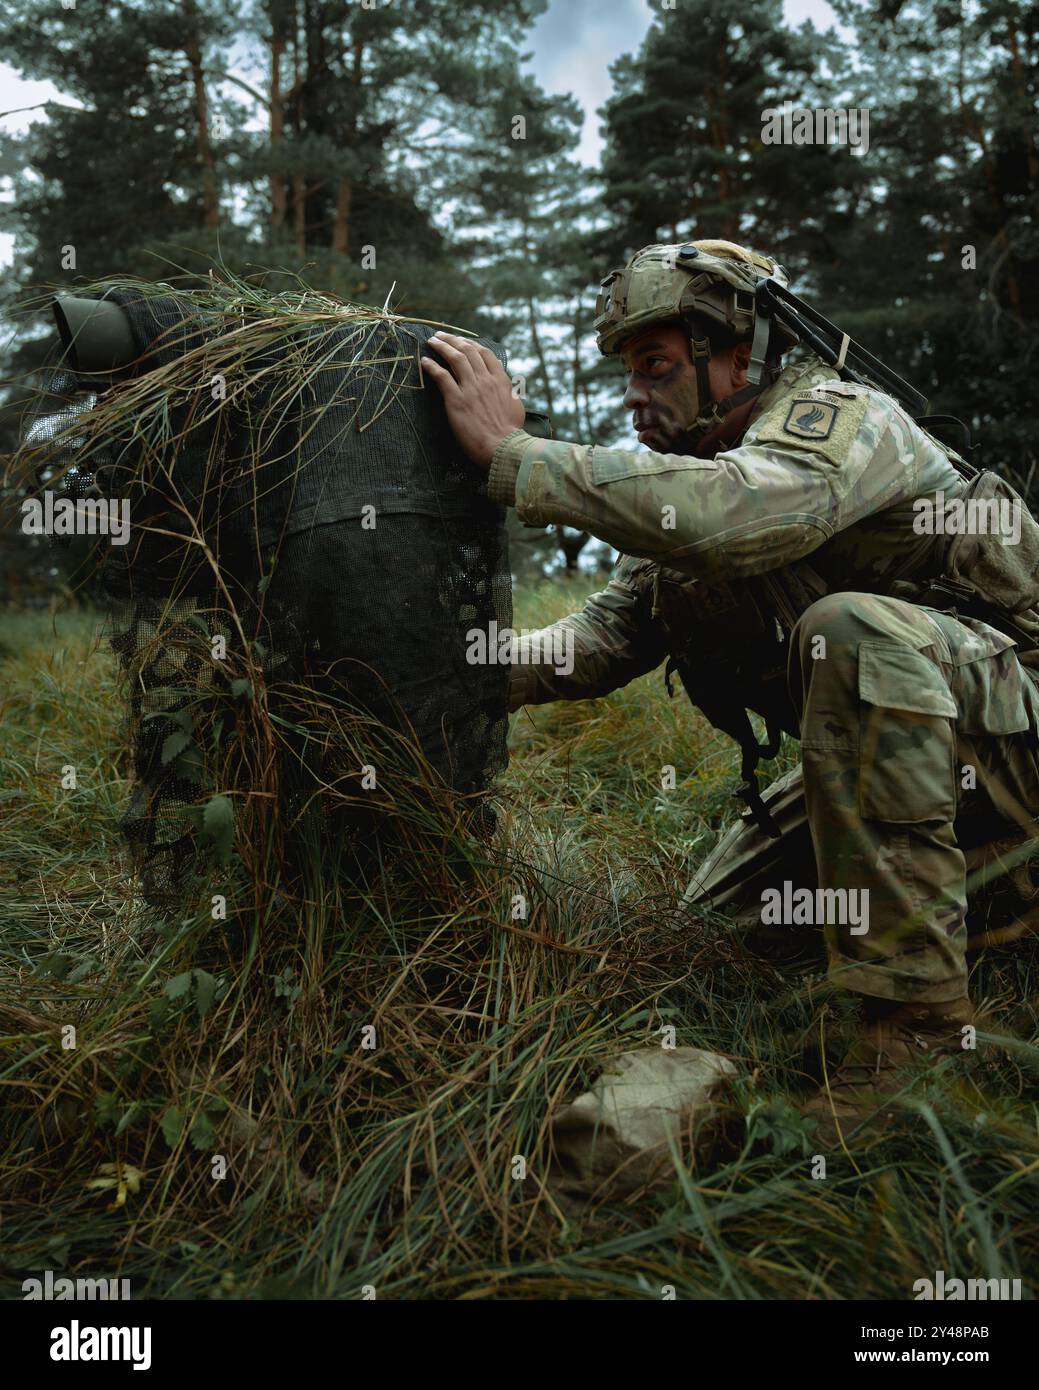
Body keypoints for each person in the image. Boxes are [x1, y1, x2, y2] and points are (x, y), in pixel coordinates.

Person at [421, 238, 1039, 1146]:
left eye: (658, 366)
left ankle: (917, 1029)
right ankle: (991, 910)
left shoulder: (841, 421)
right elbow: (592, 641)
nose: (636, 393)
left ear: (738, 355)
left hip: (1017, 742)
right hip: (944, 768)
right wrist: (433, 668)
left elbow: (741, 514)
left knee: (851, 631)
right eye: (630, 370)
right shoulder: (692, 500)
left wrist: (517, 456)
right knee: (718, 936)